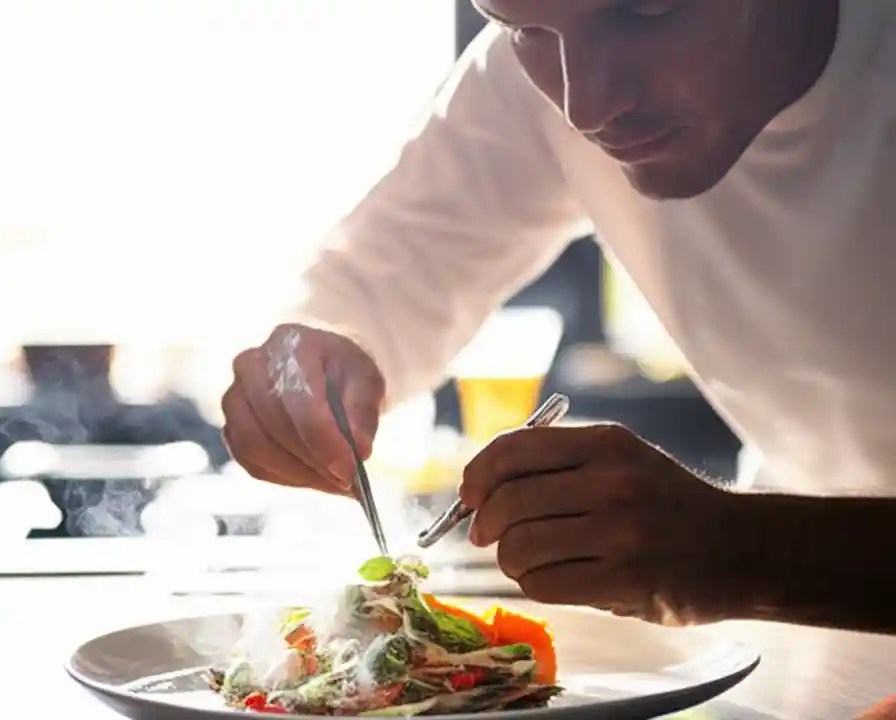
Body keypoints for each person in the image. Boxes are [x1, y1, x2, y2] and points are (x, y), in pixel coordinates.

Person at [221, 0, 896, 634]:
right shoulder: (544, 57)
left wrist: (739, 548)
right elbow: (373, 283)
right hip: (795, 665)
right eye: (520, 26)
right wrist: (307, 362)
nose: (588, 106)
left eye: (645, 11)